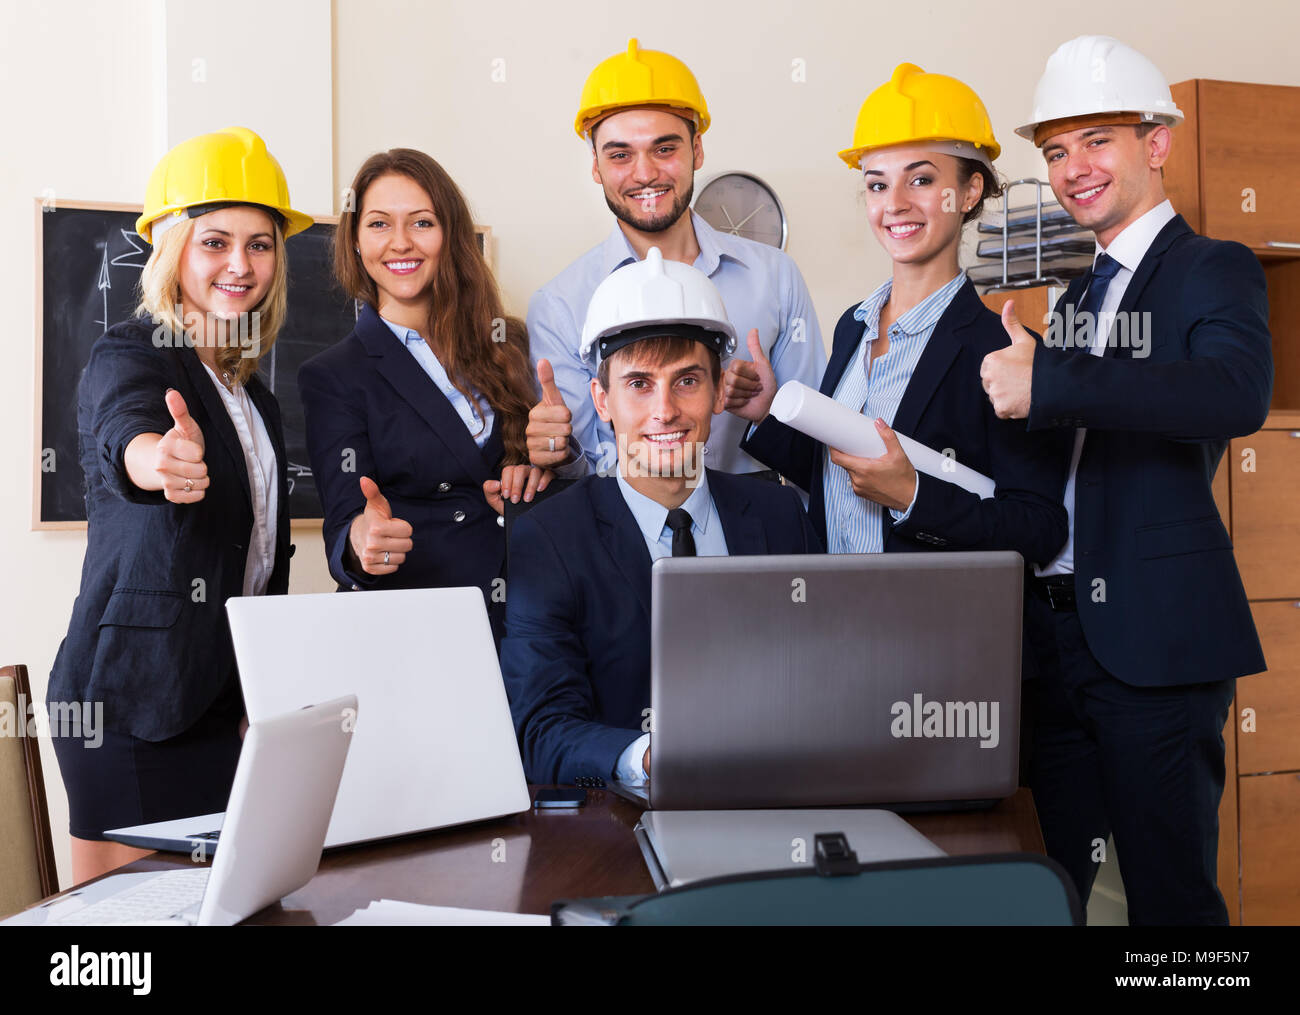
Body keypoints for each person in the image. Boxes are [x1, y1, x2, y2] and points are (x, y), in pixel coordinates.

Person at [980, 35, 1272, 925]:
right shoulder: (1075, 299)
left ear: (1157, 143)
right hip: (1056, 643)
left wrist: (1054, 382)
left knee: (1170, 900)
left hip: (1154, 641)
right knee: (1049, 891)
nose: (1074, 169)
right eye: (1056, 151)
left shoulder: (1210, 267)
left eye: (1097, 140)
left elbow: (1232, 393)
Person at [48, 127, 309, 882]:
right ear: (173, 249)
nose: (240, 264)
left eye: (260, 245)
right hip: (133, 708)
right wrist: (157, 461)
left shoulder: (251, 392)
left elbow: (255, 557)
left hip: (222, 708)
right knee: (133, 938)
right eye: (216, 241)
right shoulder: (129, 353)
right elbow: (126, 432)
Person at [727, 64, 1068, 569]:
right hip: (838, 617)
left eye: (922, 180)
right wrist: (768, 413)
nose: (896, 205)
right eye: (877, 185)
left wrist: (913, 496)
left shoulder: (1005, 350)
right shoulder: (854, 325)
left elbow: (1039, 528)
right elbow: (841, 481)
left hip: (933, 629)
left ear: (970, 192)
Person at [501, 248, 821, 785]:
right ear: (601, 401)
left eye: (687, 381)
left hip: (777, 801)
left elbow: (826, 675)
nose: (665, 411)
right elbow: (539, 731)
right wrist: (655, 758)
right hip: (621, 834)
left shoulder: (780, 515)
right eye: (639, 384)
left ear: (721, 390)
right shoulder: (550, 539)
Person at [526, 38, 825, 478]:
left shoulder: (776, 276)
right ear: (595, 165)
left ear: (697, 150)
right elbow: (588, 472)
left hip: (758, 540)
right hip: (632, 544)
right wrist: (562, 452)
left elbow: (818, 454)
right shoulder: (560, 303)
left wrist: (770, 411)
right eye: (620, 155)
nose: (645, 173)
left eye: (664, 149)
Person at [299, 149, 547, 641]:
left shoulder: (507, 341)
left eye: (421, 222)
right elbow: (348, 522)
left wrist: (547, 465)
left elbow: (551, 486)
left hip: (530, 615)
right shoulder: (333, 376)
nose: (399, 243)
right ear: (353, 241)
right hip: (418, 629)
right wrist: (360, 544)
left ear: (449, 234)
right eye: (378, 224)